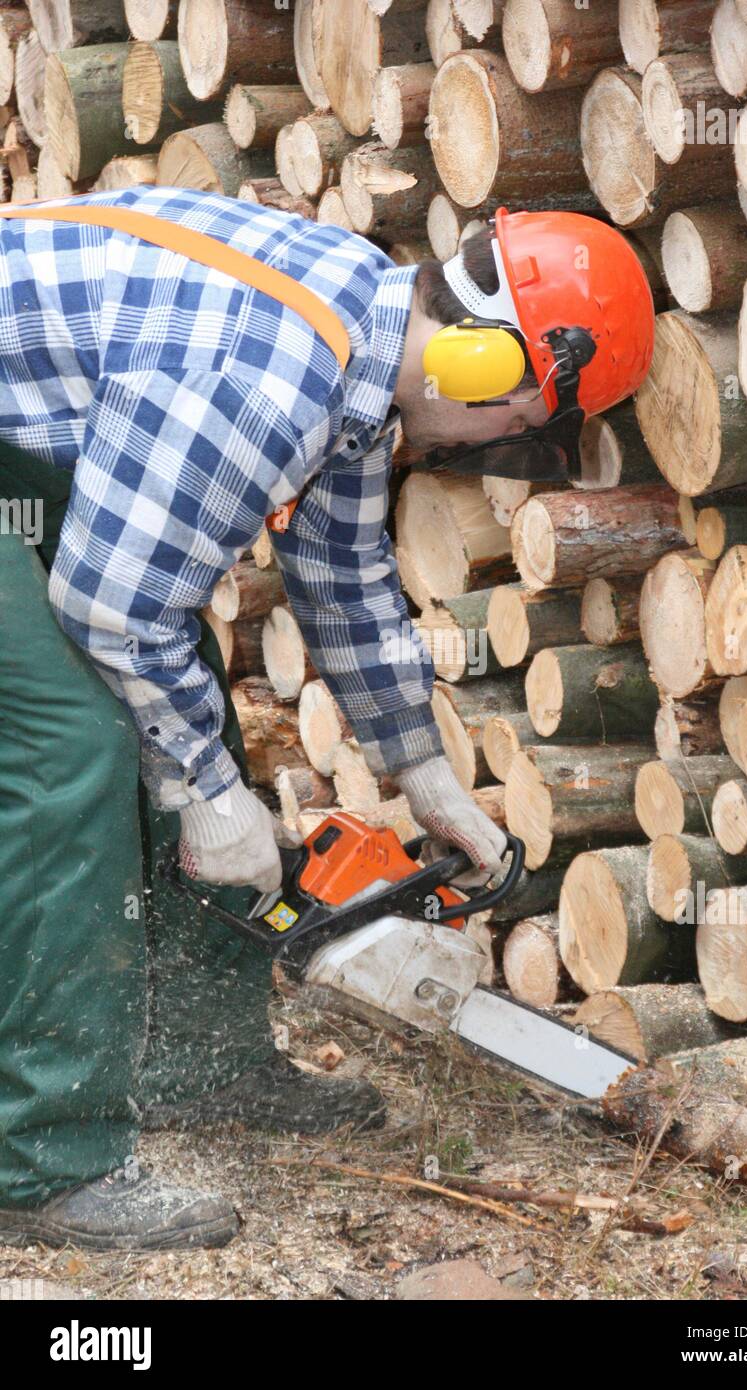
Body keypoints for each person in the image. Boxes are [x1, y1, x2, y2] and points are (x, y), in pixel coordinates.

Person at [0, 186, 654, 1249]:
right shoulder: (276, 379)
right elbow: (112, 606)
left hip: (21, 446)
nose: (482, 447)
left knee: (184, 702)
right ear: (484, 365)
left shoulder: (361, 339)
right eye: (515, 426)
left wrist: (424, 773)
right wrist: (208, 796)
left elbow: (342, 576)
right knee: (69, 747)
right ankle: (36, 1161)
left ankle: (186, 1061)